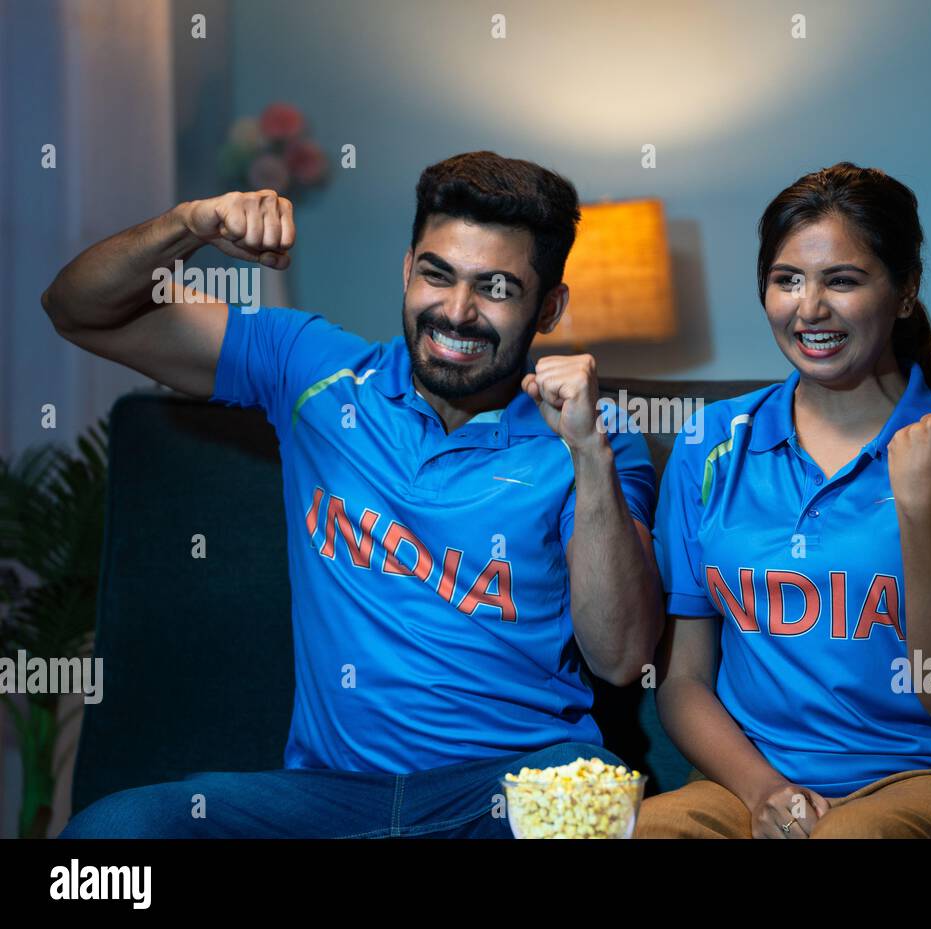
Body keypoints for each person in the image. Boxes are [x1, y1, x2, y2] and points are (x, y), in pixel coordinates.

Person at [46, 151, 663, 838]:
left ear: (548, 307)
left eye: (496, 288)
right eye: (437, 274)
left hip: (509, 788)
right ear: (407, 270)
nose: (457, 312)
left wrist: (587, 450)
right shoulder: (312, 370)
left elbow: (621, 656)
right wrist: (188, 226)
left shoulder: (595, 437)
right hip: (328, 799)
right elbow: (76, 309)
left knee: (591, 807)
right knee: (114, 831)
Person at [635, 163, 931, 839]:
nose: (810, 309)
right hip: (752, 782)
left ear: (905, 291)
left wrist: (919, 502)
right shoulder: (709, 443)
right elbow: (683, 683)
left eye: (843, 281)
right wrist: (765, 792)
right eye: (787, 280)